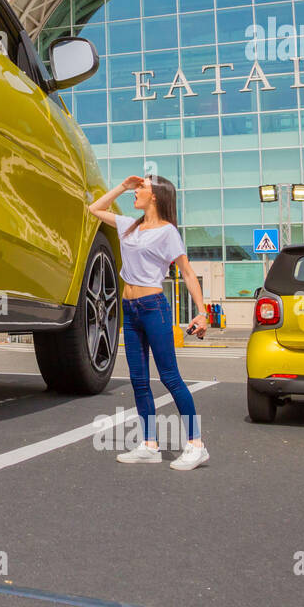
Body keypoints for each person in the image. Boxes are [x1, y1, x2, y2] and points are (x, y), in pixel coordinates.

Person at [88, 174, 210, 471]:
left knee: (170, 377)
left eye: (141, 188)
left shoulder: (168, 232)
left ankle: (196, 445)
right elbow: (94, 209)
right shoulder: (129, 224)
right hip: (129, 310)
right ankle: (149, 444)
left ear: (155, 196)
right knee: (139, 381)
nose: (136, 192)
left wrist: (202, 312)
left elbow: (188, 272)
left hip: (154, 308)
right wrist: (123, 186)